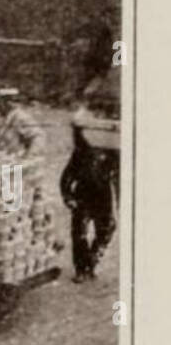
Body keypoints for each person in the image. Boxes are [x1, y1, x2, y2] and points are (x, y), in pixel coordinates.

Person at [60, 98, 119, 282]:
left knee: (107, 229)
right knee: (80, 233)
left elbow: (118, 179)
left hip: (102, 195)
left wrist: (120, 200)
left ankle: (91, 262)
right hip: (83, 194)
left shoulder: (113, 154)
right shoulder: (81, 152)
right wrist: (67, 196)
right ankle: (81, 269)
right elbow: (66, 176)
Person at [0, 87, 44, 156]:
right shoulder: (11, 115)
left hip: (29, 150)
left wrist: (27, 158)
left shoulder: (18, 116)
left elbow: (38, 137)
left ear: (7, 103)